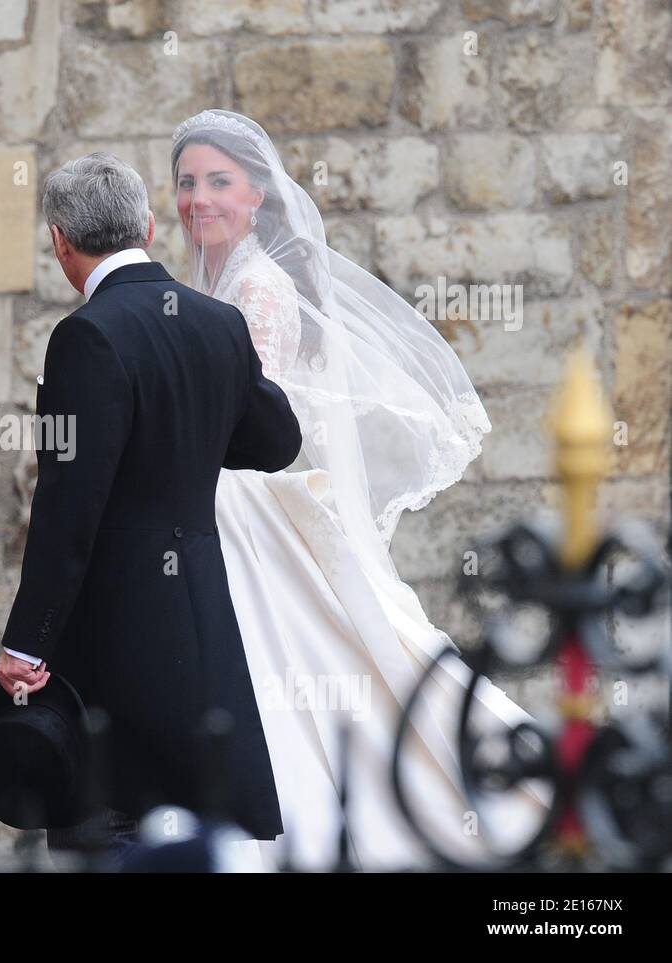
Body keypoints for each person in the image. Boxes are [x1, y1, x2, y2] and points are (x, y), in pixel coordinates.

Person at [168, 109, 551, 869]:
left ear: (256, 197)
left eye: (218, 181)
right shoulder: (211, 283)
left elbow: (248, 418)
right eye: (186, 182)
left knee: (298, 654)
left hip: (240, 501)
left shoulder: (258, 288)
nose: (198, 198)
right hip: (220, 499)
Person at [0, 152, 303, 861]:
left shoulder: (86, 335)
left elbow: (69, 507)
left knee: (112, 821)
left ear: (60, 240)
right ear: (150, 227)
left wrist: (26, 643)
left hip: (115, 626)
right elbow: (277, 442)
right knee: (191, 820)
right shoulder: (220, 324)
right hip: (201, 610)